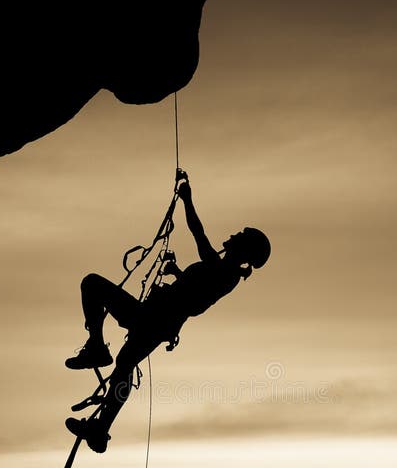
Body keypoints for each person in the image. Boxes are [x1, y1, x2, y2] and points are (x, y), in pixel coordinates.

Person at [64, 176, 271, 453]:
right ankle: (101, 429)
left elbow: (199, 235)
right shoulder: (222, 272)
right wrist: (177, 273)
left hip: (154, 319)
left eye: (240, 237)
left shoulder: (225, 272)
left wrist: (187, 199)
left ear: (245, 251)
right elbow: (194, 294)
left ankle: (98, 350)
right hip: (158, 320)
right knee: (124, 364)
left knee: (92, 284)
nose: (234, 235)